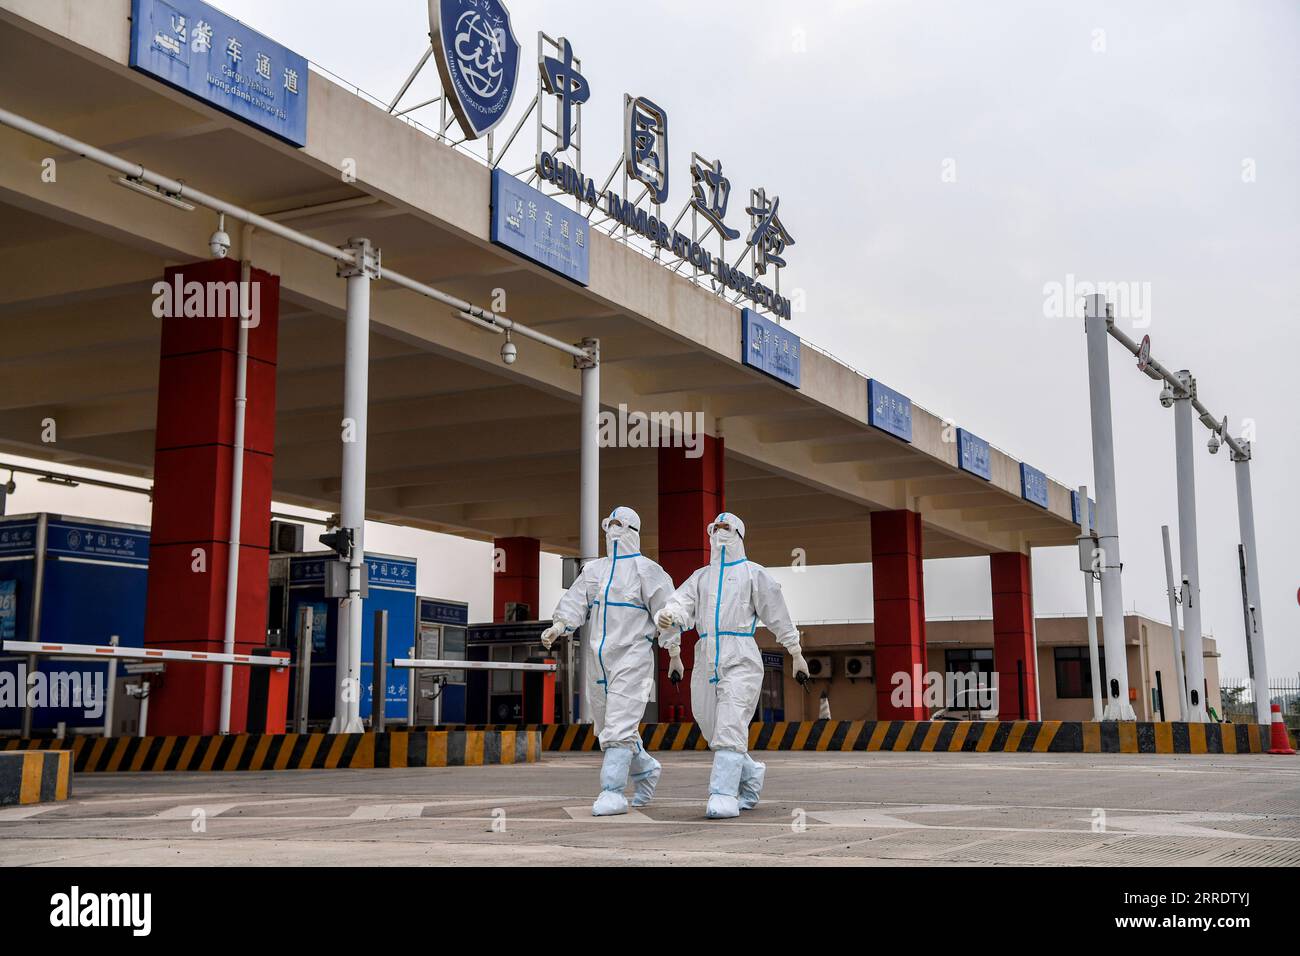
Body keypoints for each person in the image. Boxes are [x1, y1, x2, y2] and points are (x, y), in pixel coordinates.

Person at [655, 512, 809, 818]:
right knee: (712, 728)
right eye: (716, 528)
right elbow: (680, 603)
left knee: (729, 724)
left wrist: (796, 653)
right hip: (705, 655)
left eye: (727, 528)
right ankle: (750, 775)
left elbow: (777, 613)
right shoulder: (700, 577)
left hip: (740, 654)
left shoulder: (754, 574)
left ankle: (723, 794)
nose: (721, 533)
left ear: (739, 533)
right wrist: (670, 621)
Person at [539, 506, 675, 816]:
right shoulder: (594, 570)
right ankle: (646, 769)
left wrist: (674, 650)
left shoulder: (648, 570)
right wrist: (559, 625)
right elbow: (576, 601)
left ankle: (612, 791)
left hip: (633, 657)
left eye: (619, 524)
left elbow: (667, 613)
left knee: (619, 726)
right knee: (608, 727)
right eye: (609, 523)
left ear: (633, 530)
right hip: (598, 660)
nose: (613, 529)